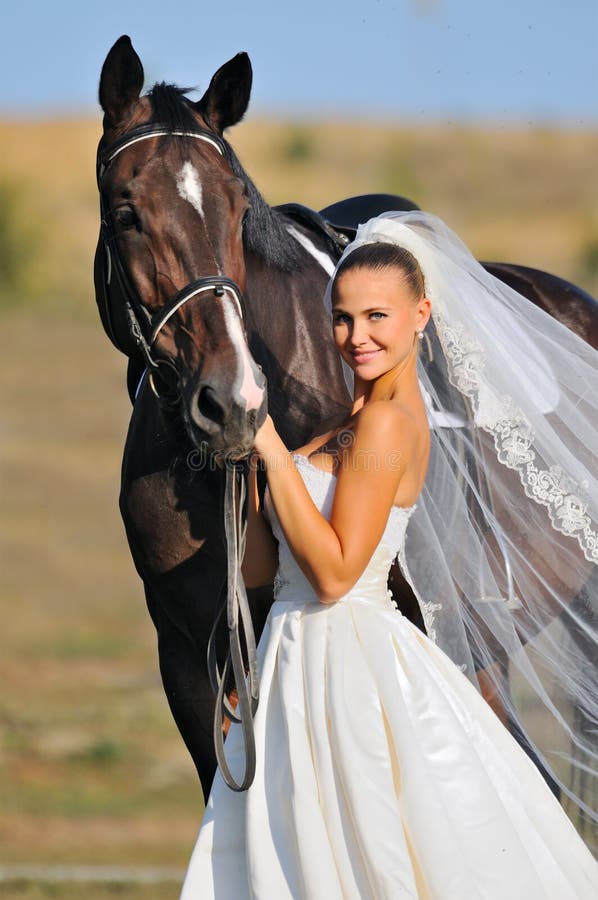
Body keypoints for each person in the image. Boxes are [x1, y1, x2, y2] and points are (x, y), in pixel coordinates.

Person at [181, 212, 598, 898]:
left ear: (421, 315)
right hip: (292, 656)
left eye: (378, 316)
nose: (356, 336)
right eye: (342, 318)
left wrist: (273, 453)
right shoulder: (349, 422)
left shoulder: (387, 424)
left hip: (347, 661)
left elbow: (338, 573)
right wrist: (247, 469)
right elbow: (262, 573)